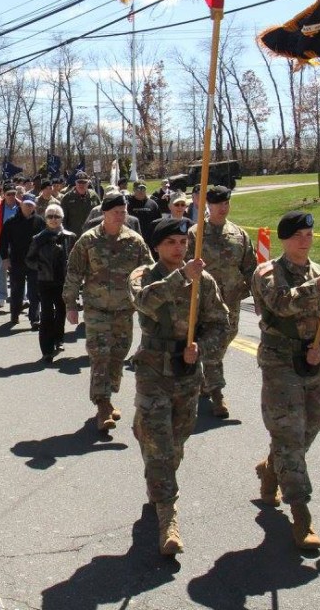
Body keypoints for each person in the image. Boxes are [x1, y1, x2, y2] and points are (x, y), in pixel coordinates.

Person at [251, 211, 320, 550]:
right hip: (280, 364)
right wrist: (316, 288)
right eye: (298, 235)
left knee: (313, 422)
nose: (305, 240)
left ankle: (273, 467)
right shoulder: (268, 272)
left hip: (314, 365)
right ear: (284, 240)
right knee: (290, 435)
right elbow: (280, 304)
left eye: (309, 234)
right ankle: (301, 512)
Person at [128, 217, 229, 556]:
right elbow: (144, 301)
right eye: (171, 242)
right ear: (157, 247)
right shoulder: (143, 275)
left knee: (177, 441)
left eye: (183, 242)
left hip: (187, 374)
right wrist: (182, 278)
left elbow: (220, 323)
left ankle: (158, 481)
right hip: (153, 373)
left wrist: (202, 347)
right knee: (159, 445)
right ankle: (167, 519)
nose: (179, 247)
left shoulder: (205, 281)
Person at [64, 193, 153, 432]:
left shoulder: (135, 241)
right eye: (116, 212)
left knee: (118, 356)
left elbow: (149, 273)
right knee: (100, 356)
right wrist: (71, 305)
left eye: (124, 212)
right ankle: (102, 404)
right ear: (104, 213)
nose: (121, 216)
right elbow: (74, 273)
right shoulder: (88, 241)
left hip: (124, 311)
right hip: (96, 310)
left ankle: (108, 395)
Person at [187, 185, 256, 419]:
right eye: (218, 204)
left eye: (227, 203)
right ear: (208, 205)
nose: (223, 208)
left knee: (225, 338)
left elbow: (250, 268)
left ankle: (205, 379)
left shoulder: (239, 234)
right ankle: (217, 394)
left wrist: (258, 297)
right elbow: (184, 267)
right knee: (212, 344)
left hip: (231, 299)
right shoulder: (195, 234)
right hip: (205, 303)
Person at [26, 204, 77, 363]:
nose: (53, 220)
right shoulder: (38, 238)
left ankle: (59, 339)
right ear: (46, 219)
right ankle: (46, 350)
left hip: (63, 281)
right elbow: (29, 259)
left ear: (62, 218)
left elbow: (77, 258)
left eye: (57, 216)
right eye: (50, 217)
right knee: (47, 314)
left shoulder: (70, 236)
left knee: (61, 310)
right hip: (45, 281)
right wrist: (40, 267)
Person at [0, 193, 43, 329]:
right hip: (16, 261)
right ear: (21, 204)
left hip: (34, 262)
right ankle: (15, 313)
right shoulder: (11, 221)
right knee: (17, 290)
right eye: (26, 205)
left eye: (31, 205)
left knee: (34, 291)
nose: (29, 207)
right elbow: (3, 242)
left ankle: (34, 318)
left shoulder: (40, 221)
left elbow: (45, 241)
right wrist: (5, 259)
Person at [0, 185, 20, 307]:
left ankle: (21, 296)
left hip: (18, 244)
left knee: (19, 271)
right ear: (3, 195)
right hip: (1, 244)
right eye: (9, 194)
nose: (11, 196)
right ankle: (1, 296)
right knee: (0, 270)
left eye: (13, 194)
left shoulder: (21, 206)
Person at [60, 171, 101, 236]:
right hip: (74, 236)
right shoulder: (67, 198)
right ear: (75, 183)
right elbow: (62, 219)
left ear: (88, 183)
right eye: (79, 182)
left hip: (92, 236)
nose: (81, 185)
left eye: (84, 182)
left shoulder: (94, 196)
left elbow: (100, 215)